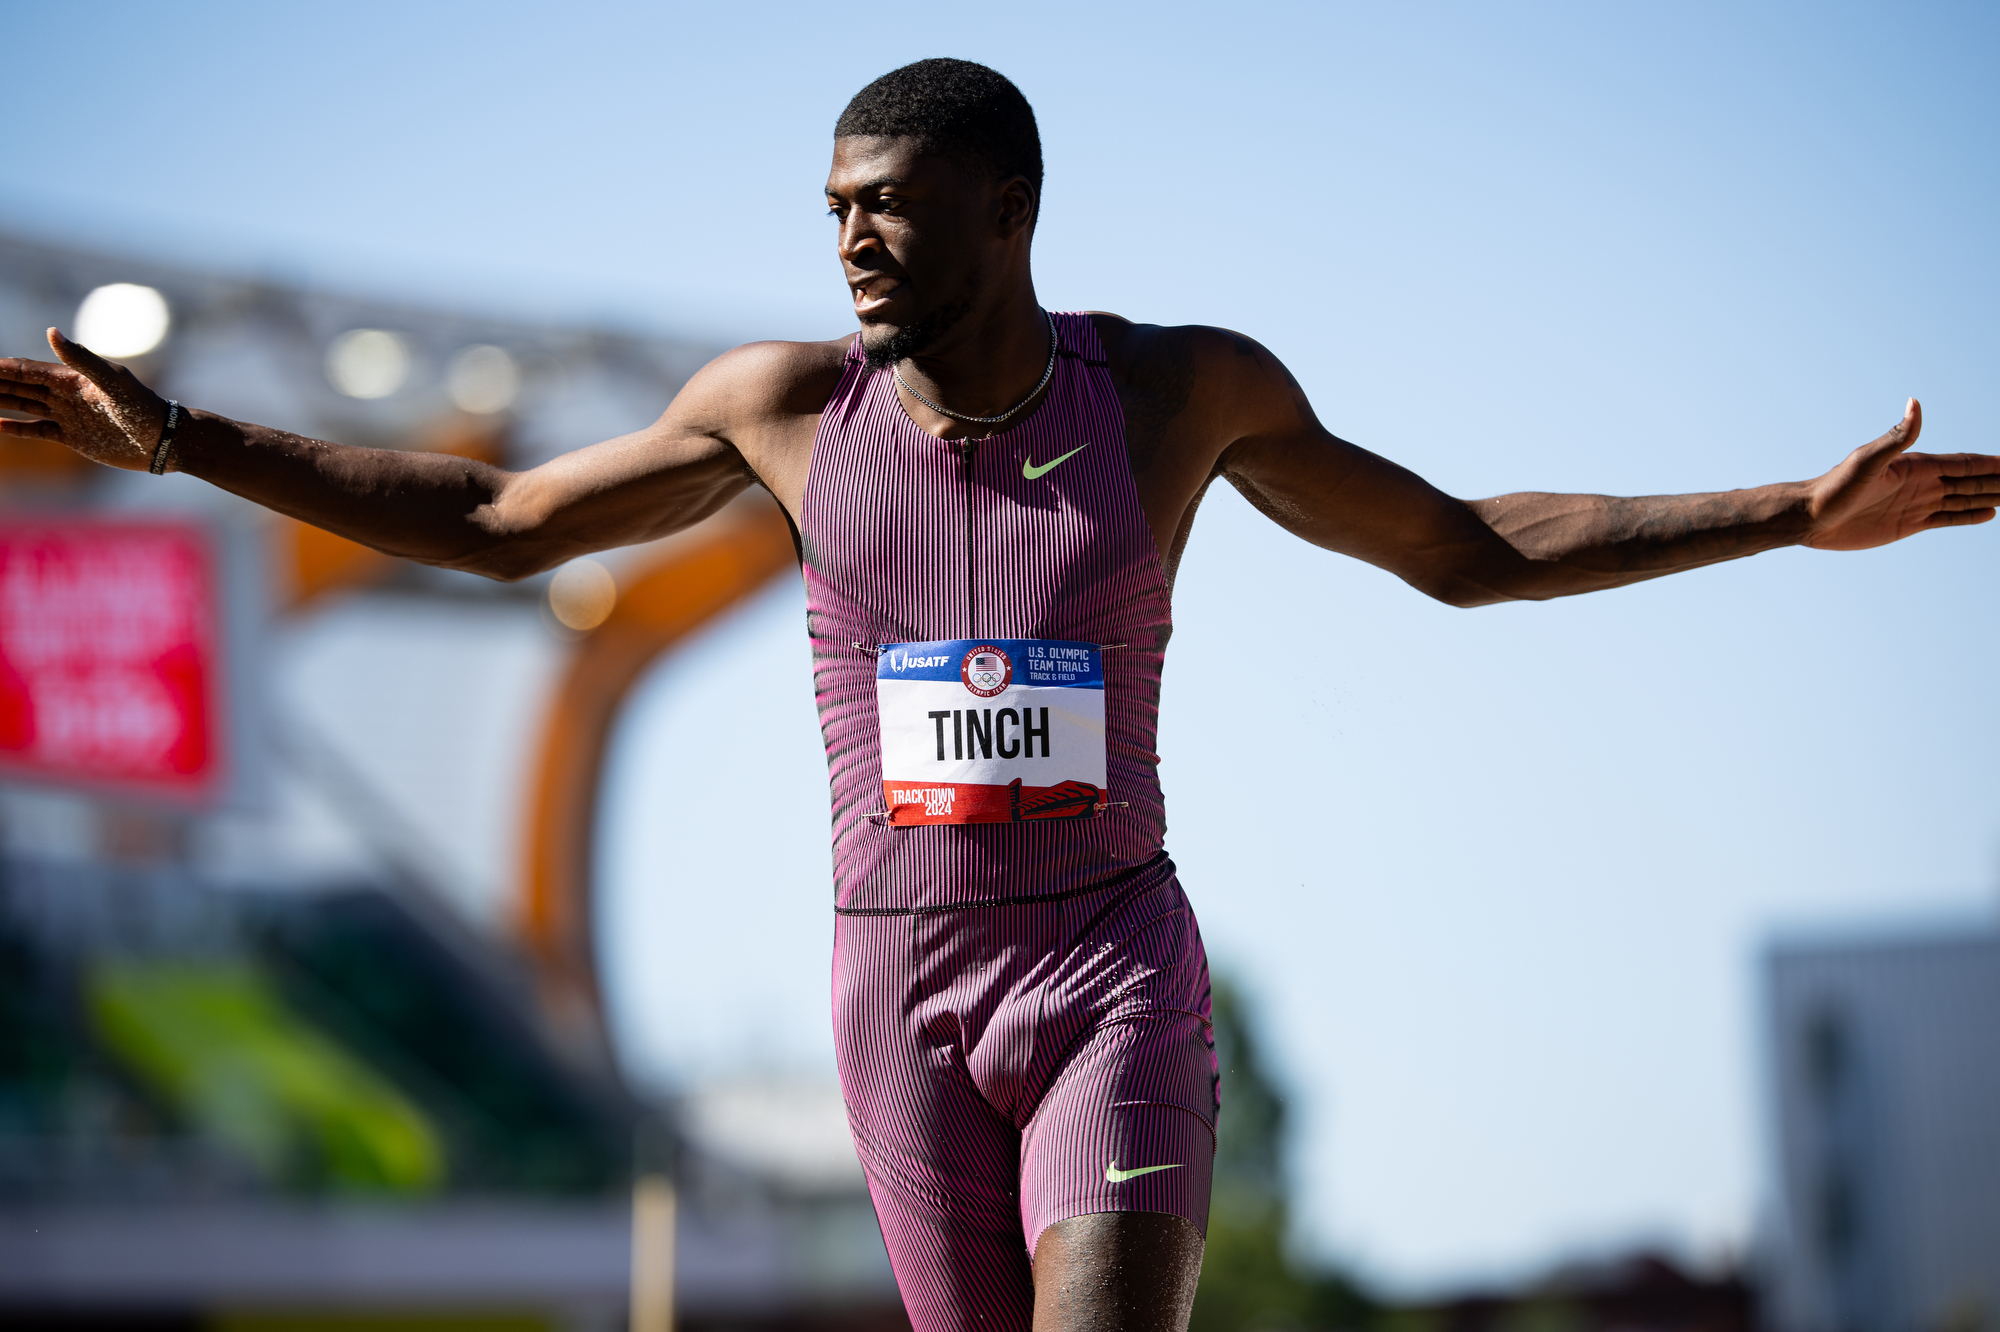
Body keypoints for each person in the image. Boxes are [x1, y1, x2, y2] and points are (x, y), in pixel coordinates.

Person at [2, 56, 1994, 1332]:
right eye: (834, 207)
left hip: (1108, 973)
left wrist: (1787, 515)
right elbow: (503, 514)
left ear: (1004, 212)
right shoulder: (782, 411)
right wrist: (180, 435)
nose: (853, 235)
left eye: (889, 201)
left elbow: (1466, 544)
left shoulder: (1181, 392)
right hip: (894, 991)